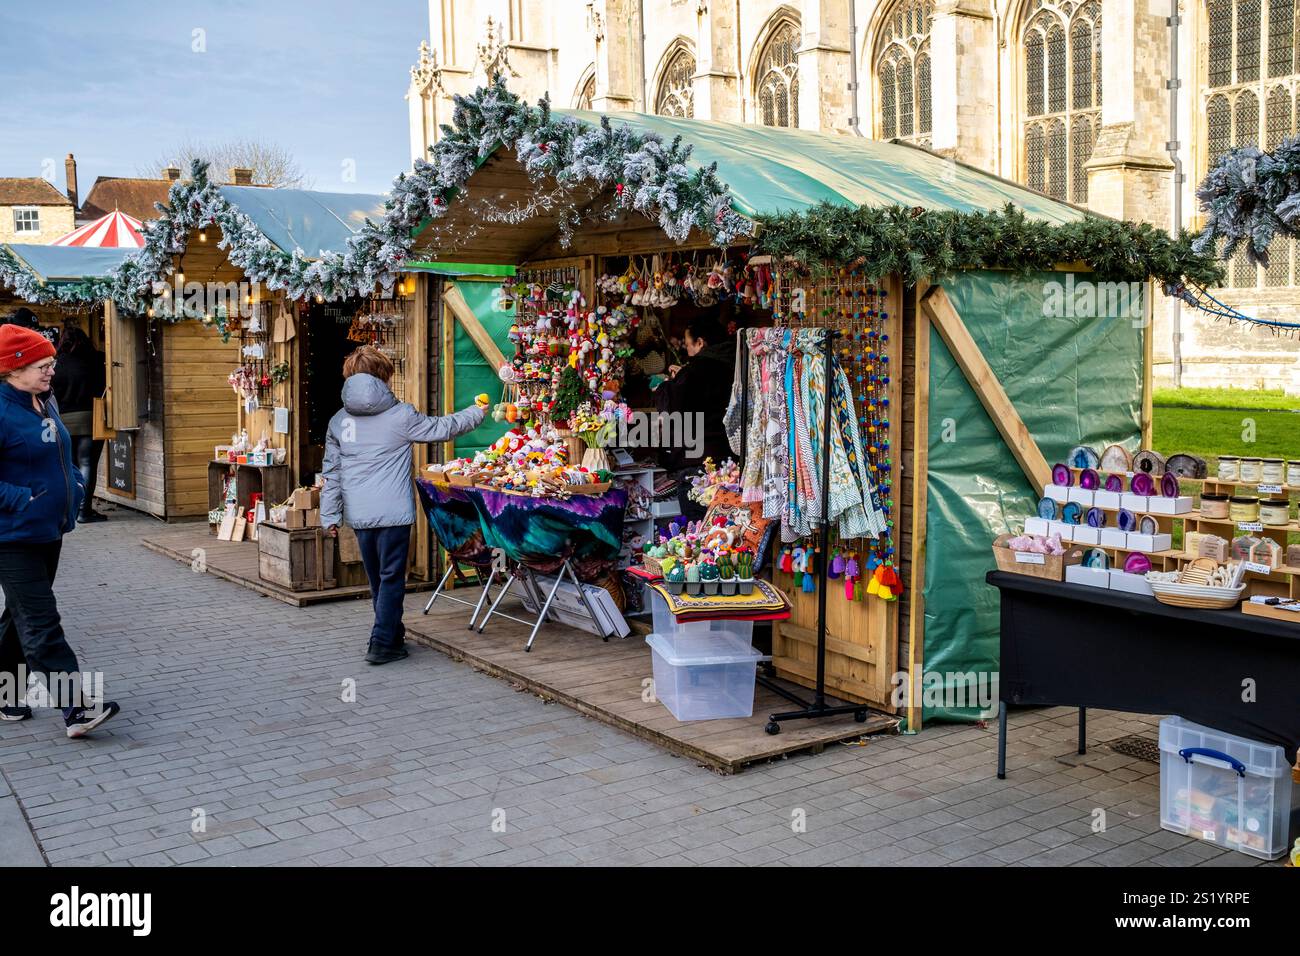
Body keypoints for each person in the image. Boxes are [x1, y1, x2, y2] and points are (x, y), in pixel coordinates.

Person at [320, 345, 487, 665]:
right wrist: (476, 412)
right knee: (392, 578)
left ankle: (392, 634)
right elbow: (443, 428)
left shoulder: (339, 421)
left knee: (378, 580)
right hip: (394, 513)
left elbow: (332, 472)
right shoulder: (400, 415)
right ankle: (381, 642)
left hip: (360, 515)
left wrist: (329, 515)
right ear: (383, 377)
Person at [0, 324, 120, 736]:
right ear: (13, 369)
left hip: (49, 528)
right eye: (42, 365)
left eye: (51, 363)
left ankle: (5, 693)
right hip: (11, 536)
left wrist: (77, 486)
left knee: (21, 616)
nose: (52, 371)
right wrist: (22, 499)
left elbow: (60, 452)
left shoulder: (42, 400)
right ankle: (76, 709)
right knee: (40, 621)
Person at [654, 314, 737, 520]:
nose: (688, 350)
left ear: (700, 343)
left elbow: (674, 408)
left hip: (697, 459)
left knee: (698, 526)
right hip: (728, 458)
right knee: (723, 522)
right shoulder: (734, 364)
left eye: (689, 344)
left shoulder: (697, 369)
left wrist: (667, 385)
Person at [52, 326, 108, 523]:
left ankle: (72, 508)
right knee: (87, 463)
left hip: (62, 421)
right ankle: (85, 511)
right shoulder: (97, 359)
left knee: (70, 465)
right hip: (89, 418)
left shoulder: (56, 363)